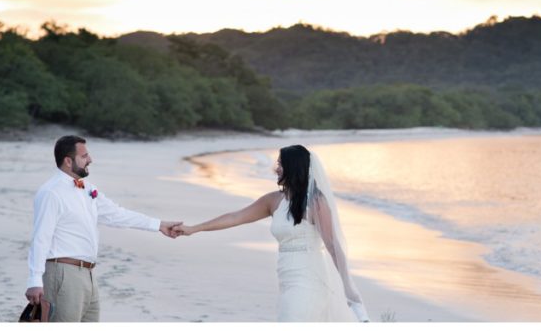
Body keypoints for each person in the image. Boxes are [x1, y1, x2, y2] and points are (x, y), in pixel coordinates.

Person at [174, 144, 370, 322]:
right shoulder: (274, 201)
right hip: (286, 279)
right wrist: (194, 228)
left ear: (294, 167)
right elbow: (235, 217)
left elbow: (333, 246)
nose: (276, 168)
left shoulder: (316, 202)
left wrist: (348, 287)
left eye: (281, 164)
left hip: (311, 280)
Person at [25, 135, 182, 322]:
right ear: (68, 161)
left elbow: (117, 214)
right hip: (63, 273)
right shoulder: (51, 192)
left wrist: (159, 225)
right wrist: (35, 280)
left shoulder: (87, 188)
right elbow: (41, 238)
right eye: (84, 156)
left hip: (88, 274)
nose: (90, 160)